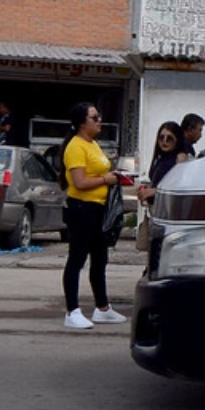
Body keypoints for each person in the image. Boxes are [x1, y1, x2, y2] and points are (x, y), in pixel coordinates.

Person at [59, 103, 127, 329]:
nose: (99, 120)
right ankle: (72, 310)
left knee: (100, 258)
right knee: (77, 259)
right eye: (94, 117)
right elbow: (78, 182)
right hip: (81, 209)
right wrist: (104, 180)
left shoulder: (94, 144)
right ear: (82, 123)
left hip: (99, 209)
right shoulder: (75, 147)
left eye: (99, 116)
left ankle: (102, 307)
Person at [136, 121, 188, 205]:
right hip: (156, 209)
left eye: (169, 138)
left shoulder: (180, 158)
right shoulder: (159, 159)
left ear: (177, 140)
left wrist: (154, 191)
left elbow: (179, 187)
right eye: (161, 138)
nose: (165, 141)